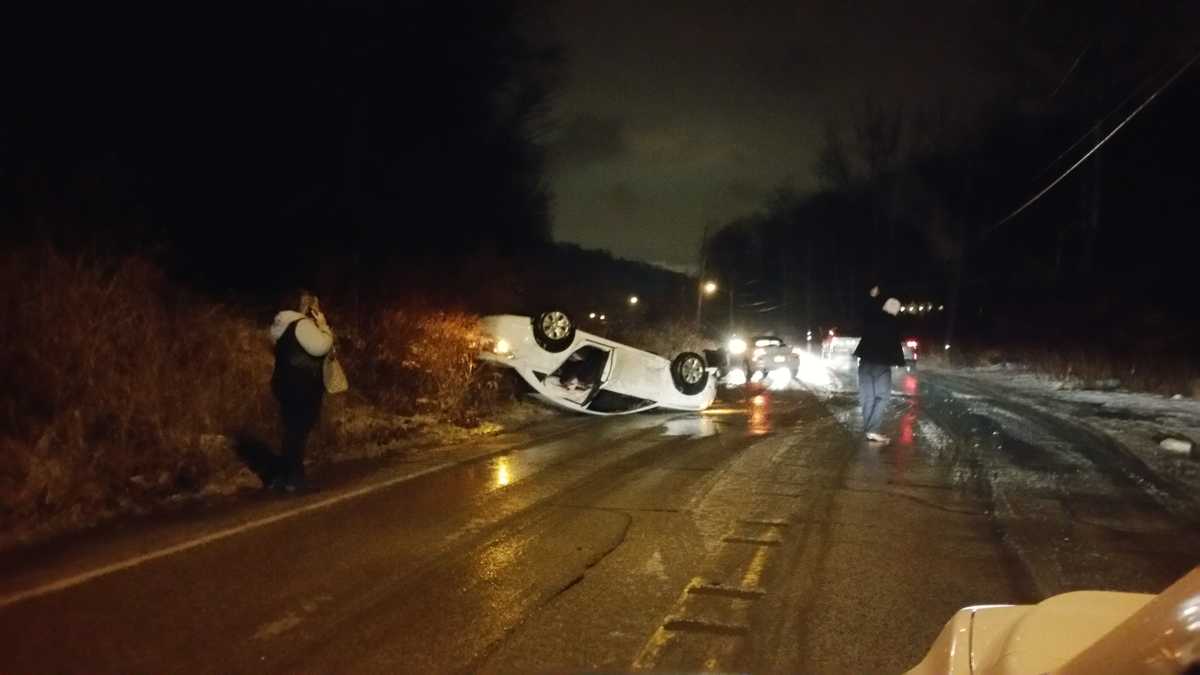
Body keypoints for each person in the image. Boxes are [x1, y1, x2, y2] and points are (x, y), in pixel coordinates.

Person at [269, 291, 334, 492]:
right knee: (299, 430)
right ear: (305, 305)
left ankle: (283, 475)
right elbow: (321, 347)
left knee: (290, 430)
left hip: (284, 383)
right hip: (303, 385)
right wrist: (323, 326)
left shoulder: (280, 325)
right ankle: (295, 478)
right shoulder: (302, 324)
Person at [854, 291, 905, 444]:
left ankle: (870, 430)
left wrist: (872, 296)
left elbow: (866, 309)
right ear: (895, 310)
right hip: (881, 366)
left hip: (865, 363)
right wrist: (900, 363)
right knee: (882, 397)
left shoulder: (873, 317)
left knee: (867, 397)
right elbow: (896, 346)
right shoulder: (894, 324)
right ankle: (873, 430)